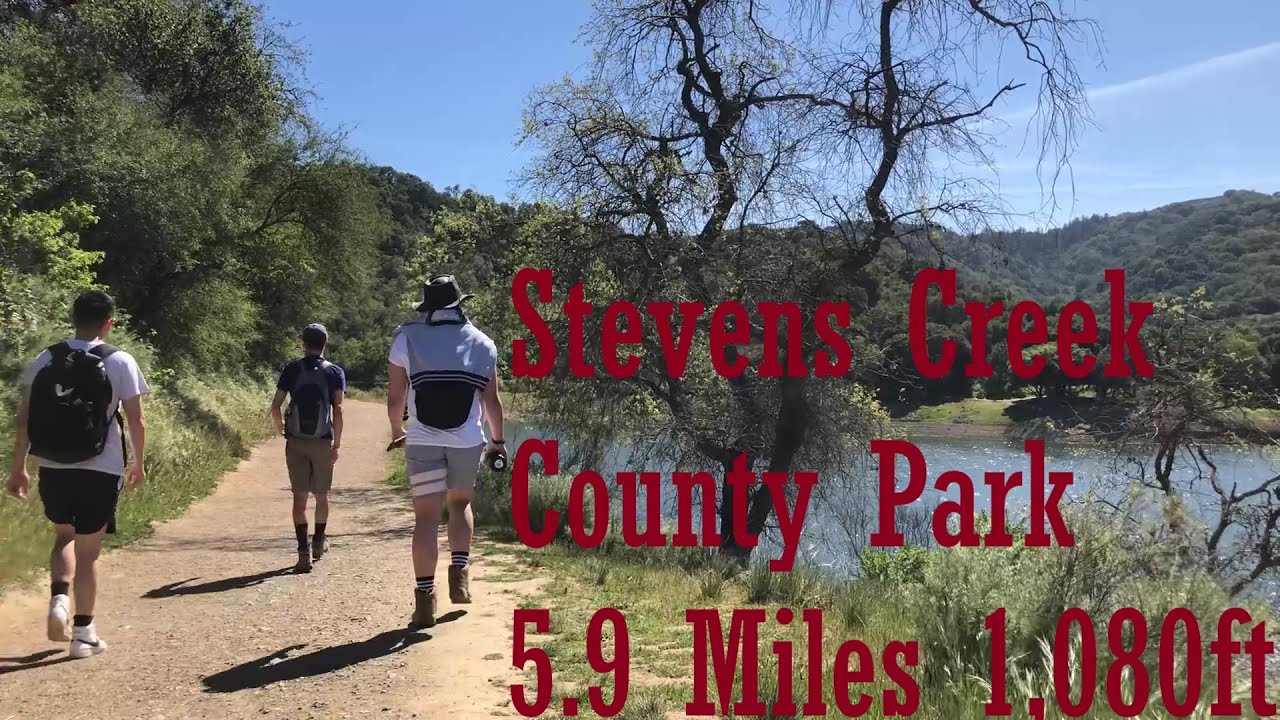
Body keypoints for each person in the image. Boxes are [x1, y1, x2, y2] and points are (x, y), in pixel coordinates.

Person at [5, 290, 149, 659]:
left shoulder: (45, 358)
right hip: (102, 467)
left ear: (73, 319)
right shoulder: (119, 360)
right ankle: (83, 634)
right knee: (89, 552)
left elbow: (24, 419)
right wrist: (137, 462)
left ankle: (58, 598)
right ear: (109, 322)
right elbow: (136, 420)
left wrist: (18, 468)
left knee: (63, 536)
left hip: (53, 465)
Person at [387, 275, 505, 629]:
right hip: (466, 440)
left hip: (422, 438)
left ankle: (425, 603)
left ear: (427, 307)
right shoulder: (482, 342)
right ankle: (460, 577)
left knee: (425, 517)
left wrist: (397, 431)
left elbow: (395, 398)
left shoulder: (406, 338)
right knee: (460, 503)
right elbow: (491, 401)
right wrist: (497, 442)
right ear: (459, 303)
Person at [270, 323, 346, 573]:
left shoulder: (292, 369)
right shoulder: (334, 371)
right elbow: (338, 410)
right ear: (325, 342)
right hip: (322, 440)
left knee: (300, 498)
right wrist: (336, 444)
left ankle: (303, 553)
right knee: (322, 496)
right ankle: (318, 543)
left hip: (296, 441)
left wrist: (282, 428)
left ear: (303, 342)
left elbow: (276, 406)